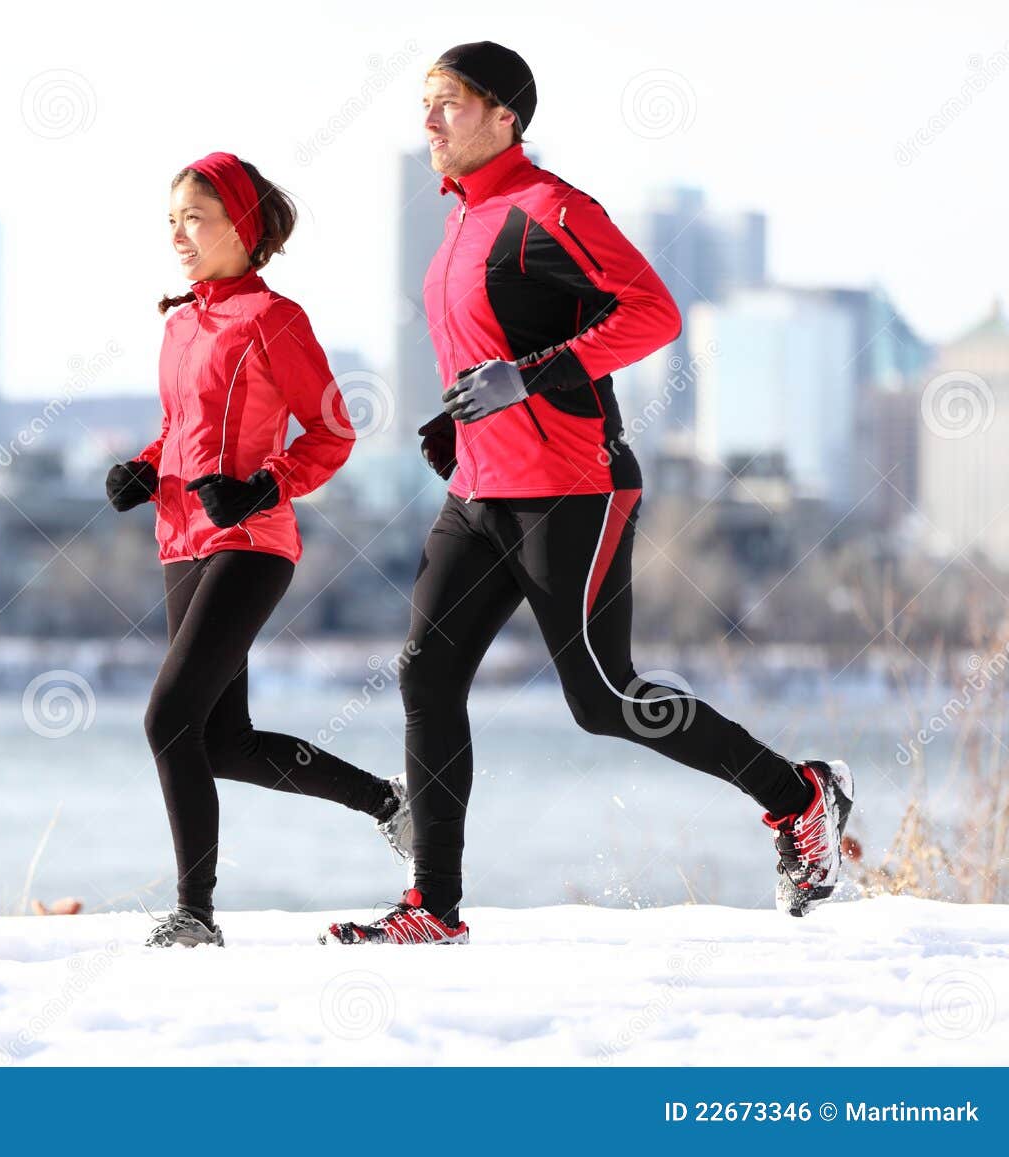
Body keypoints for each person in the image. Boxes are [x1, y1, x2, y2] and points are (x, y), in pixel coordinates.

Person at [323, 43, 854, 946]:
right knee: (426, 668)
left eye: (447, 103)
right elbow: (493, 345)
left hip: (573, 486)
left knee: (603, 697)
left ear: (506, 115)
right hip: (481, 488)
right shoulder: (459, 222)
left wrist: (528, 382)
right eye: (425, 104)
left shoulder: (550, 207)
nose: (429, 121)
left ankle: (799, 795)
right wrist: (462, 419)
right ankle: (433, 907)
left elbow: (652, 312)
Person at [108, 151, 413, 948]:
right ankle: (389, 801)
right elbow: (182, 429)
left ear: (240, 226)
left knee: (169, 717)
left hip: (251, 541)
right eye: (170, 218)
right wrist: (145, 468)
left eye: (195, 217)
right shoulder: (180, 324)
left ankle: (195, 915)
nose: (178, 232)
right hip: (180, 539)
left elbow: (333, 430)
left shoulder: (276, 321)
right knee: (222, 741)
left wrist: (264, 484)